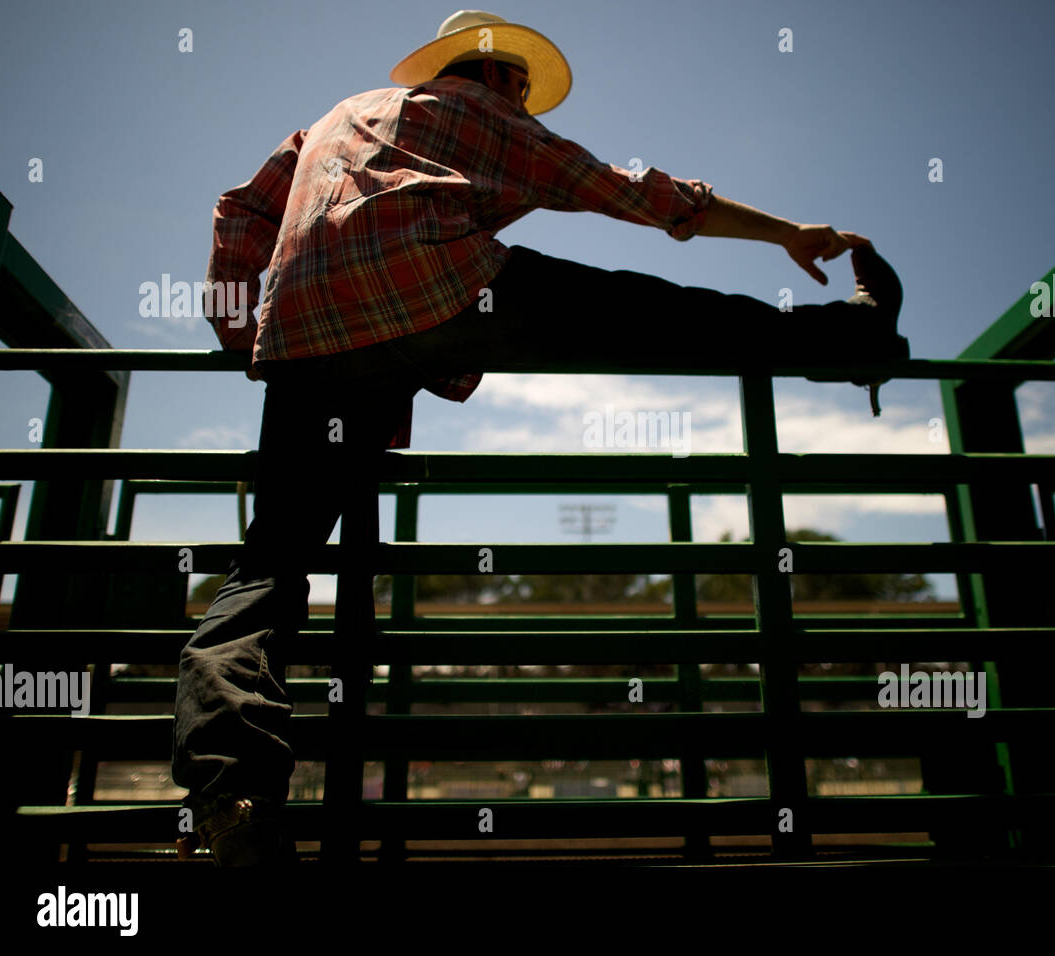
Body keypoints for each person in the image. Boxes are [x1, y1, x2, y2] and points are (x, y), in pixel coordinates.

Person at [171, 8, 908, 865]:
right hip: (442, 289)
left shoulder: (336, 116)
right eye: (520, 79)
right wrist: (788, 231)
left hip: (308, 341)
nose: (528, 96)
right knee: (655, 313)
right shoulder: (486, 118)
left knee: (269, 564)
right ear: (488, 76)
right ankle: (851, 339)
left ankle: (232, 802)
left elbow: (239, 210)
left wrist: (247, 338)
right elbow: (641, 196)